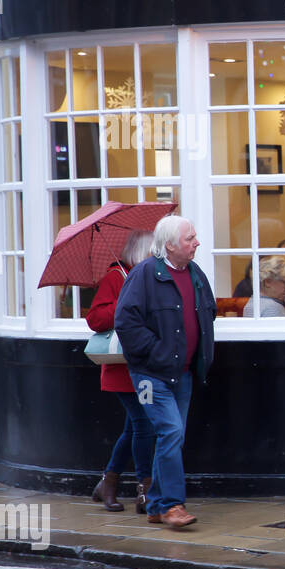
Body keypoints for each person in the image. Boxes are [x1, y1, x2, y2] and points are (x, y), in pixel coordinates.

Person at [115, 215, 217, 530]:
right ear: (170, 245)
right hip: (149, 376)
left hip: (183, 373)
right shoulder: (144, 274)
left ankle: (157, 504)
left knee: (171, 436)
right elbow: (125, 322)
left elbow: (208, 310)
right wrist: (158, 352)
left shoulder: (196, 274)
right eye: (190, 238)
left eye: (195, 237)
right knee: (171, 432)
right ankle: (173, 505)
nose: (196, 242)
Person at [85, 230, 156, 513]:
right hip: (121, 367)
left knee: (134, 427)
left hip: (144, 364)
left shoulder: (147, 279)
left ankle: (107, 484)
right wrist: (126, 304)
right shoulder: (117, 276)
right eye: (153, 253)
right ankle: (145, 489)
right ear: (141, 253)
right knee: (143, 424)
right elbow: (95, 318)